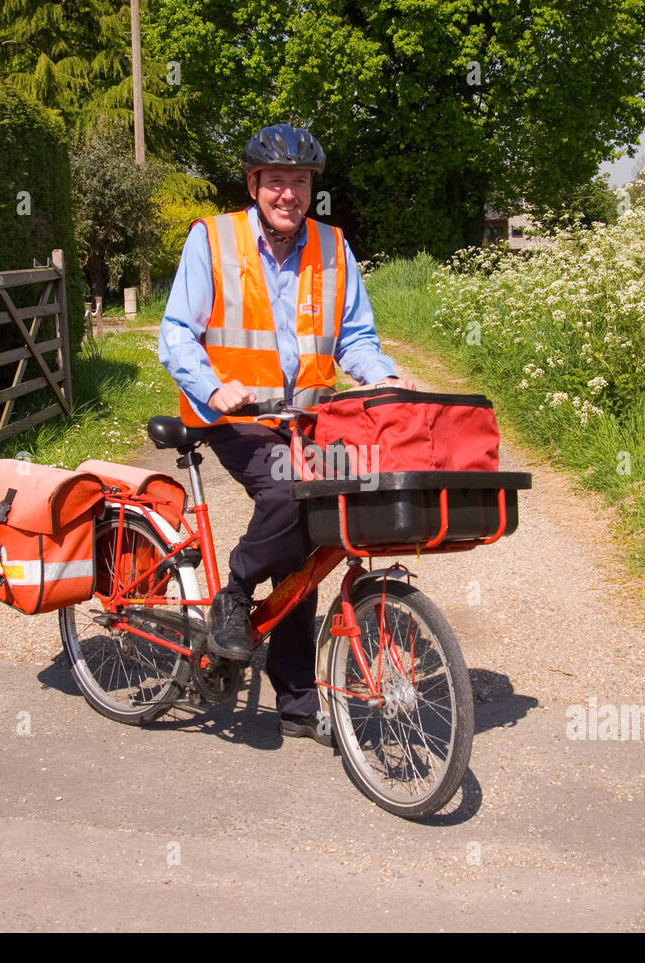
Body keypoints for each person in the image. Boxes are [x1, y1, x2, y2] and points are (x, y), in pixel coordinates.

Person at [156, 123, 414, 746]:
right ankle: (234, 595)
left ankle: (297, 704)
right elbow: (175, 334)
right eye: (276, 181)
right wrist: (215, 387)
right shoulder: (213, 240)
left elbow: (355, 336)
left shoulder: (333, 247)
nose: (288, 193)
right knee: (287, 488)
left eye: (299, 182)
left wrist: (386, 381)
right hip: (233, 417)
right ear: (254, 185)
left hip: (305, 417)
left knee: (308, 543)